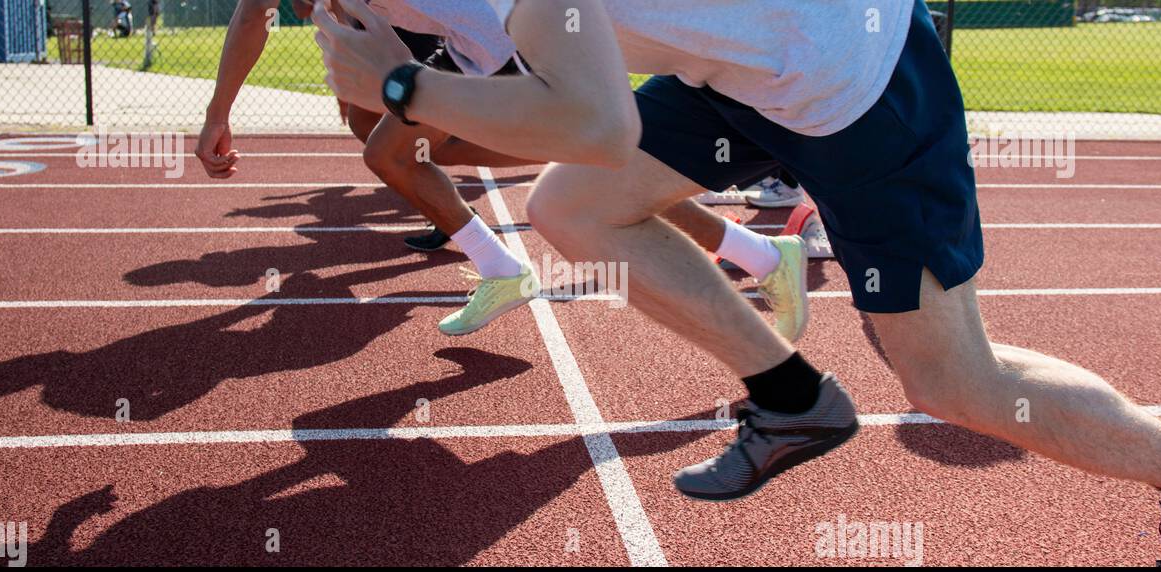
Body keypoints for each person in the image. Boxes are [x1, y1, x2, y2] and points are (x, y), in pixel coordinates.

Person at [314, 0, 1161, 565]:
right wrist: (409, 104)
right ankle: (794, 398)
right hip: (742, 71)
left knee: (953, 382)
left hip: (849, 82)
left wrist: (398, 88)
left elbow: (587, 122)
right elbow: (526, 123)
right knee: (576, 207)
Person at [198, 0, 808, 339]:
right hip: (486, 47)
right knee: (579, 165)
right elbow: (257, 14)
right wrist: (218, 113)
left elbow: (260, 15)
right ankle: (759, 254)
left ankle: (503, 267)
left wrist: (218, 115)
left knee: (393, 151)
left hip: (521, 42)